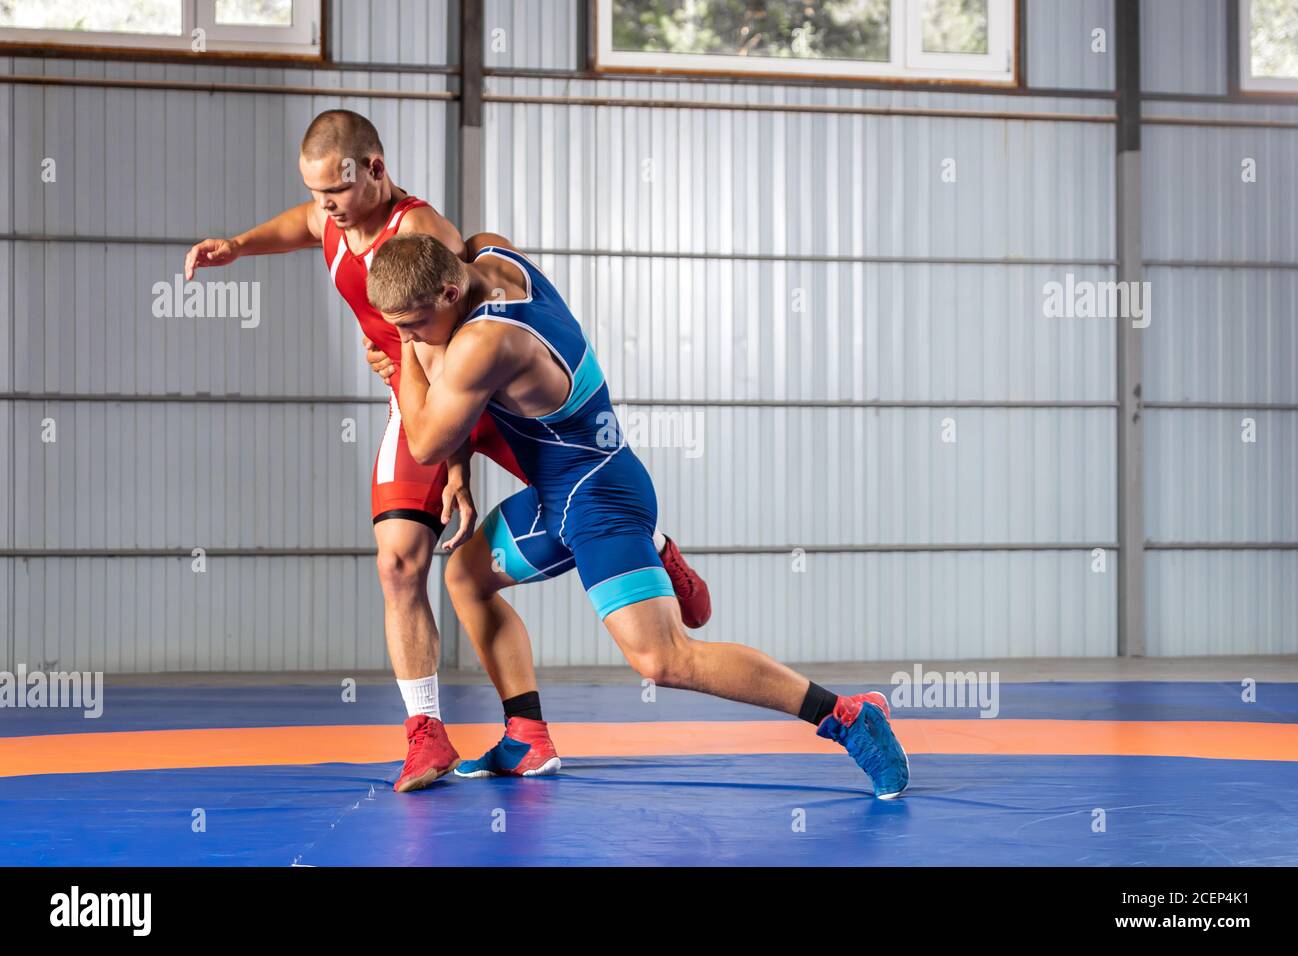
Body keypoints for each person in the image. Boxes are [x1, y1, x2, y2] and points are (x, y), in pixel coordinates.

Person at [183, 109, 711, 792]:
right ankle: (426, 733)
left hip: (478, 399)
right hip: (424, 399)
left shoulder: (427, 235)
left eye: (333, 193)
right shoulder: (330, 222)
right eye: (314, 194)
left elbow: (451, 352)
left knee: (587, 492)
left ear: (374, 168)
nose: (324, 209)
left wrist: (455, 461)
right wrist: (237, 245)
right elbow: (298, 227)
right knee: (400, 561)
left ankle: (654, 543)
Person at [364, 231, 909, 798]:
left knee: (662, 660)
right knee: (465, 576)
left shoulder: (485, 341)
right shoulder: (495, 256)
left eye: (411, 321)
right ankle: (526, 735)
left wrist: (400, 353)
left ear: (451, 292)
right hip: (559, 495)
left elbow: (424, 440)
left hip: (601, 498)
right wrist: (418, 340)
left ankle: (847, 716)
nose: (405, 333)